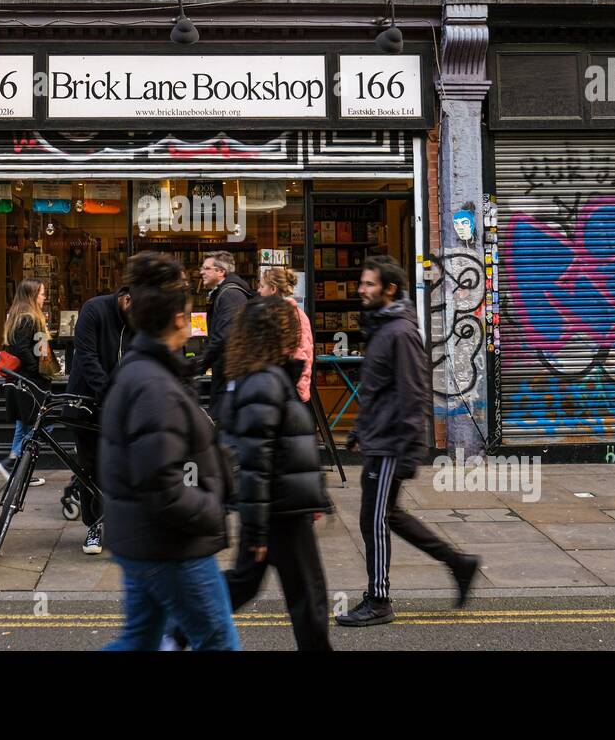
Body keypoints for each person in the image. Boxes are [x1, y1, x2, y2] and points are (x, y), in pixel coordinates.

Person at [99, 252, 238, 651]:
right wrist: (213, 509)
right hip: (172, 545)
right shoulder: (153, 385)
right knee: (217, 642)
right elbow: (162, 482)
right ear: (180, 319)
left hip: (144, 538)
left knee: (139, 641)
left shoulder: (147, 370)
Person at [337, 255, 480, 627]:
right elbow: (378, 390)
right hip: (378, 438)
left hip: (391, 444)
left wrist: (408, 449)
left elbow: (414, 393)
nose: (361, 289)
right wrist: (357, 430)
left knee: (374, 520)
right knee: (389, 516)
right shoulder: (383, 328)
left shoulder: (400, 332)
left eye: (369, 284)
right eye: (361, 283)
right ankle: (458, 563)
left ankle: (379, 598)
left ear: (389, 290)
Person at [219, 295, 334, 651]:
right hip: (280, 514)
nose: (300, 335)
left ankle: (177, 626)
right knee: (309, 600)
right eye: (293, 328)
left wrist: (318, 495)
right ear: (278, 334)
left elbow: (289, 448)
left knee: (245, 584)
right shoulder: (265, 383)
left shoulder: (271, 377)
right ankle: (177, 623)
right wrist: (256, 532)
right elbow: (255, 462)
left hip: (283, 509)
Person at [64, 285, 132, 555]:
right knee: (89, 466)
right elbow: (87, 356)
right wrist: (109, 392)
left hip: (121, 404)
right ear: (126, 299)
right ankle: (93, 527)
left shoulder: (135, 320)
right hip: (86, 402)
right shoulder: (94, 309)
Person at [0, 278, 54, 487]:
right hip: (30, 381)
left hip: (22, 380)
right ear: (31, 296)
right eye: (41, 293)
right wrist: (37, 370)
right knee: (46, 422)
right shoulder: (29, 318)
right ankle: (13, 463)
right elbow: (23, 349)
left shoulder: (19, 316)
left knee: (23, 423)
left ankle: (17, 471)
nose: (44, 297)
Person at [196, 250, 253, 419]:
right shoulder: (226, 293)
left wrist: (199, 365)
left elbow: (224, 335)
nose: (201, 272)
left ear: (221, 272)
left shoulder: (230, 295)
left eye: (207, 268)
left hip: (231, 374)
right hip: (228, 372)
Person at [258, 265, 313, 402]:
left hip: (285, 388)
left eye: (262, 286)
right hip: (292, 385)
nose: (258, 291)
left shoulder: (281, 315)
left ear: (273, 289)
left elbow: (290, 354)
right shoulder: (297, 313)